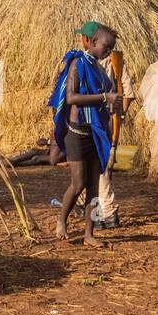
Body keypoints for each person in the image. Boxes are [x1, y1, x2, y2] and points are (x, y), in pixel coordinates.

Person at [49, 25, 119, 247]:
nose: (108, 52)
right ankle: (62, 220)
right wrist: (103, 98)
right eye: (106, 47)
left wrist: (111, 101)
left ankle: (89, 234)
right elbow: (71, 98)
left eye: (111, 49)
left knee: (94, 187)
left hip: (95, 133)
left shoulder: (99, 70)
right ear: (94, 41)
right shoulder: (77, 64)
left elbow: (106, 95)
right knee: (78, 184)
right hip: (77, 133)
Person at [76, 20, 135, 229]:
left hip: (100, 121)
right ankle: (91, 206)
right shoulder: (95, 61)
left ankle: (107, 211)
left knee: (99, 167)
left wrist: (116, 117)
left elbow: (126, 94)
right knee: (93, 166)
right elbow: (127, 94)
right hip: (98, 120)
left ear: (90, 40)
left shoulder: (104, 63)